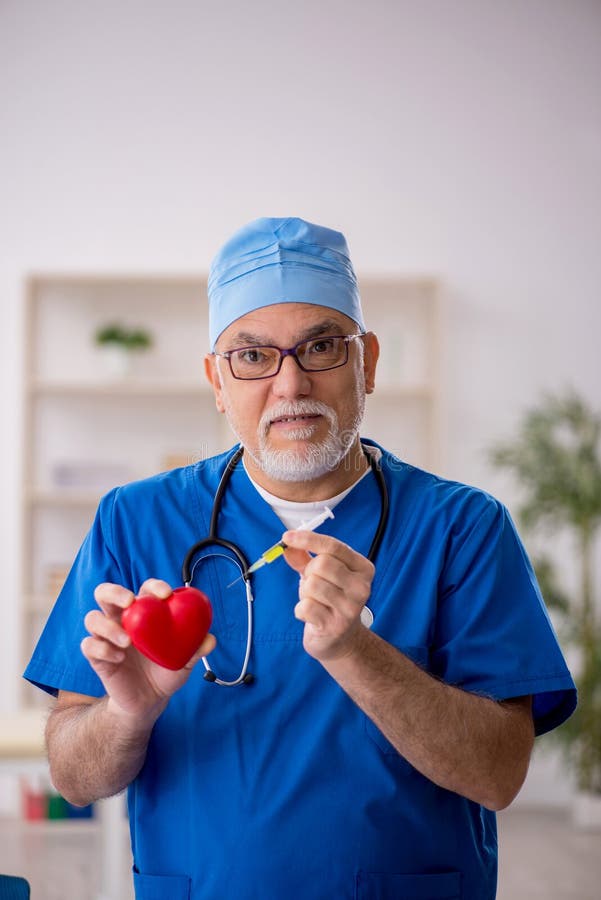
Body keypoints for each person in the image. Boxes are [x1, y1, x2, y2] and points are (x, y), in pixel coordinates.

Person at [25, 217, 576, 900]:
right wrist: (127, 713)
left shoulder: (462, 528)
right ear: (215, 381)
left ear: (367, 363)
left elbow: (498, 775)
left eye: (320, 348)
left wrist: (355, 651)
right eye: (252, 356)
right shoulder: (133, 521)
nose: (289, 385)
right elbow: (75, 777)